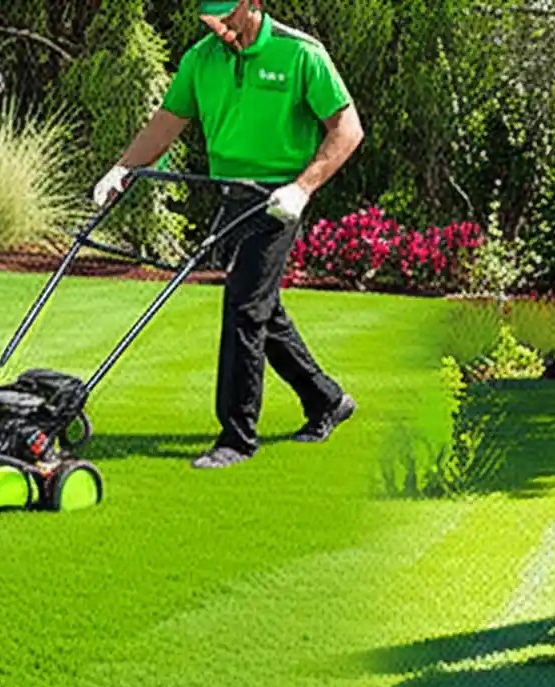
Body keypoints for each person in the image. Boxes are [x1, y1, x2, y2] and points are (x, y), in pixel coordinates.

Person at [92, 0, 364, 469]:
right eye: (210, 18)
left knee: (244, 309)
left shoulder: (300, 53)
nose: (219, 26)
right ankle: (327, 400)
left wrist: (302, 188)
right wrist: (122, 168)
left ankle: (237, 438)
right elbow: (167, 121)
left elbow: (348, 129)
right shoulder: (201, 59)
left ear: (253, 3)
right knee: (261, 309)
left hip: (278, 199)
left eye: (227, 15)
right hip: (231, 197)